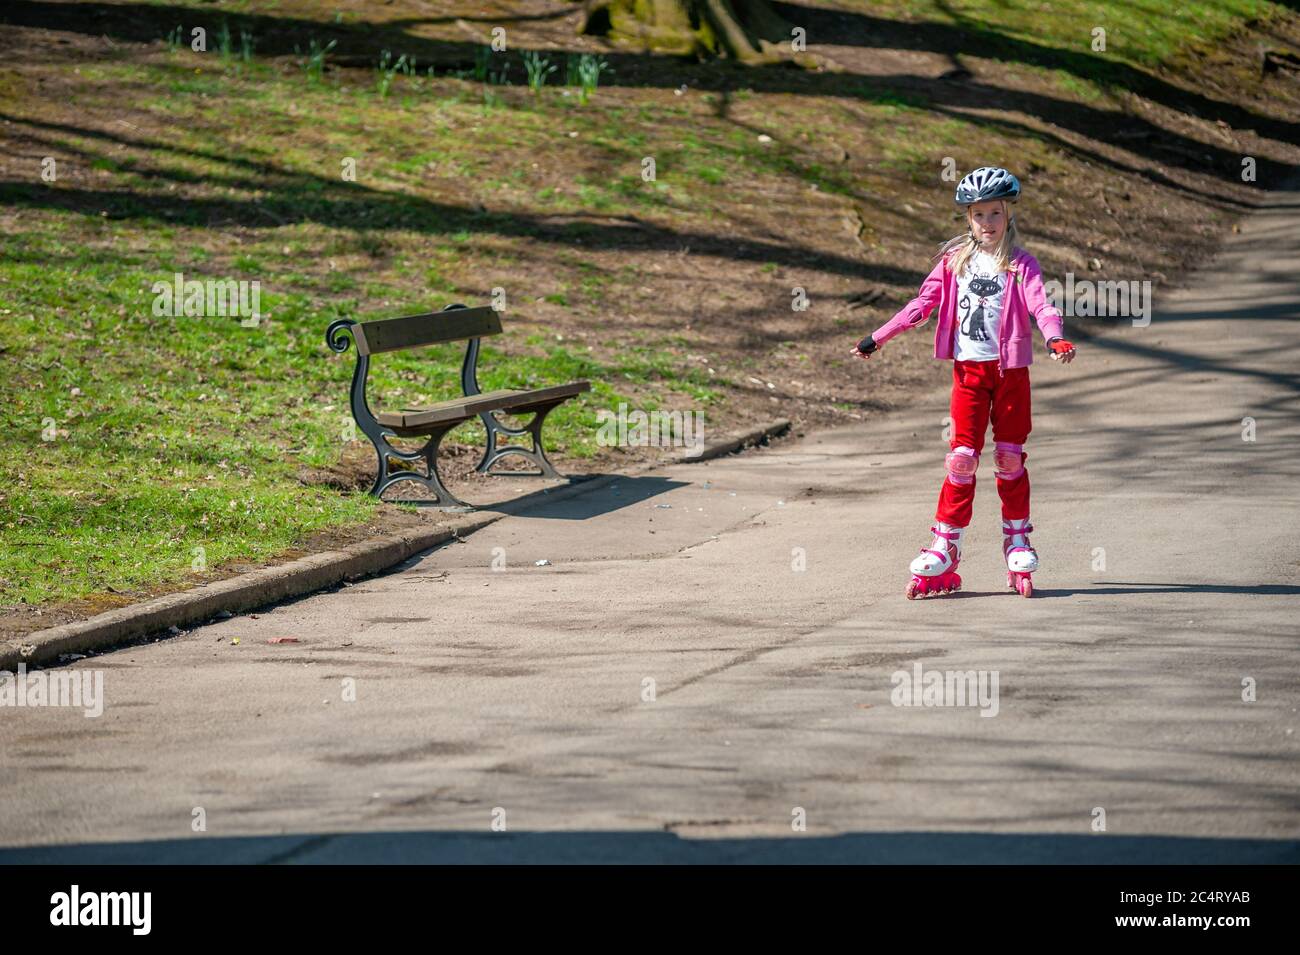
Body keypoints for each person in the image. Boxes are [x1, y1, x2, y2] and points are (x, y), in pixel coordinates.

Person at [851, 166, 1076, 598]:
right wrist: (877, 337)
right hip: (969, 374)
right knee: (961, 460)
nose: (987, 223)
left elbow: (1040, 305)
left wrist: (1055, 336)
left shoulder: (1020, 263)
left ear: (1008, 214)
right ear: (967, 219)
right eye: (978, 215)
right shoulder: (954, 263)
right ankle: (945, 545)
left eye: (995, 213)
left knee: (1009, 458)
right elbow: (922, 304)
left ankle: (1017, 538)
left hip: (1010, 375)